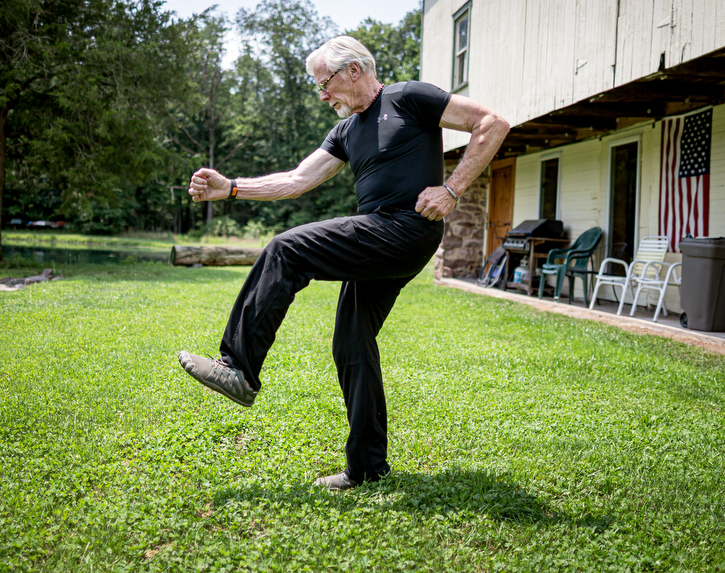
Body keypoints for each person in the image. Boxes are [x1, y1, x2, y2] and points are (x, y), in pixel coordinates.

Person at [180, 36, 509, 490]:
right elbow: (295, 181)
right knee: (351, 343)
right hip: (379, 236)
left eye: (325, 82)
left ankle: (238, 368)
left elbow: (492, 122)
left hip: (406, 230)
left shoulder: (409, 97)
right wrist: (232, 187)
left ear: (354, 70)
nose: (322, 94)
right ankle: (367, 468)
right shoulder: (346, 130)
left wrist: (452, 189)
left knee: (286, 248)